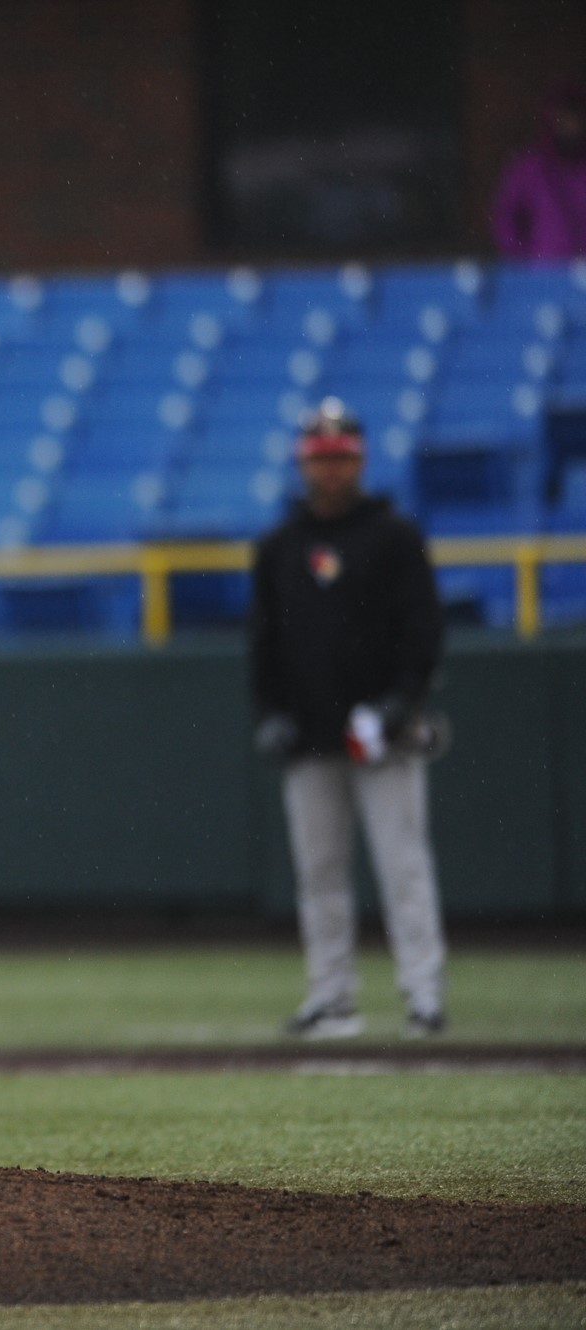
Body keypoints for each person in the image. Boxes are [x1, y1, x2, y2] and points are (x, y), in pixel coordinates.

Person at [249, 399, 449, 1041]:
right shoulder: (280, 545)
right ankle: (331, 997)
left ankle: (424, 994)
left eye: (340, 459)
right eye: (319, 459)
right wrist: (271, 712)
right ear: (303, 464)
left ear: (359, 460)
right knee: (320, 873)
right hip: (310, 737)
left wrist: (401, 700)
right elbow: (263, 643)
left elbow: (424, 630)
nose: (330, 471)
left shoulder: (394, 535)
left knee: (403, 866)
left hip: (383, 735)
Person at [492, 79, 586, 260]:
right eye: (564, 119)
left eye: (576, 120)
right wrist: (524, 259)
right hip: (543, 276)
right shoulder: (528, 169)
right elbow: (505, 220)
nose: (570, 127)